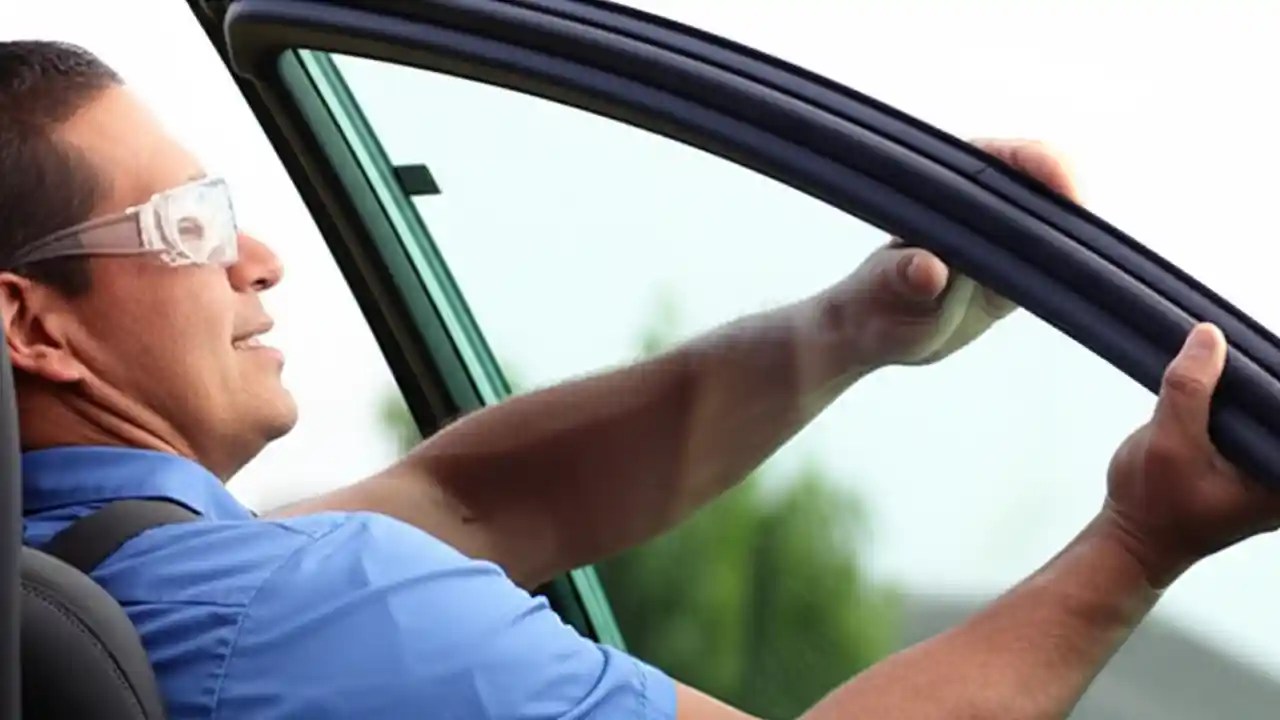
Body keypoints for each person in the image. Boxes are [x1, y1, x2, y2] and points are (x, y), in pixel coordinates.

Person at [3, 39, 1277, 720]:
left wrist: (850, 325)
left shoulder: (79, 571)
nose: (263, 262)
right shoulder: (286, 615)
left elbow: (470, 503)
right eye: (189, 228)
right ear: (34, 328)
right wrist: (1134, 542)